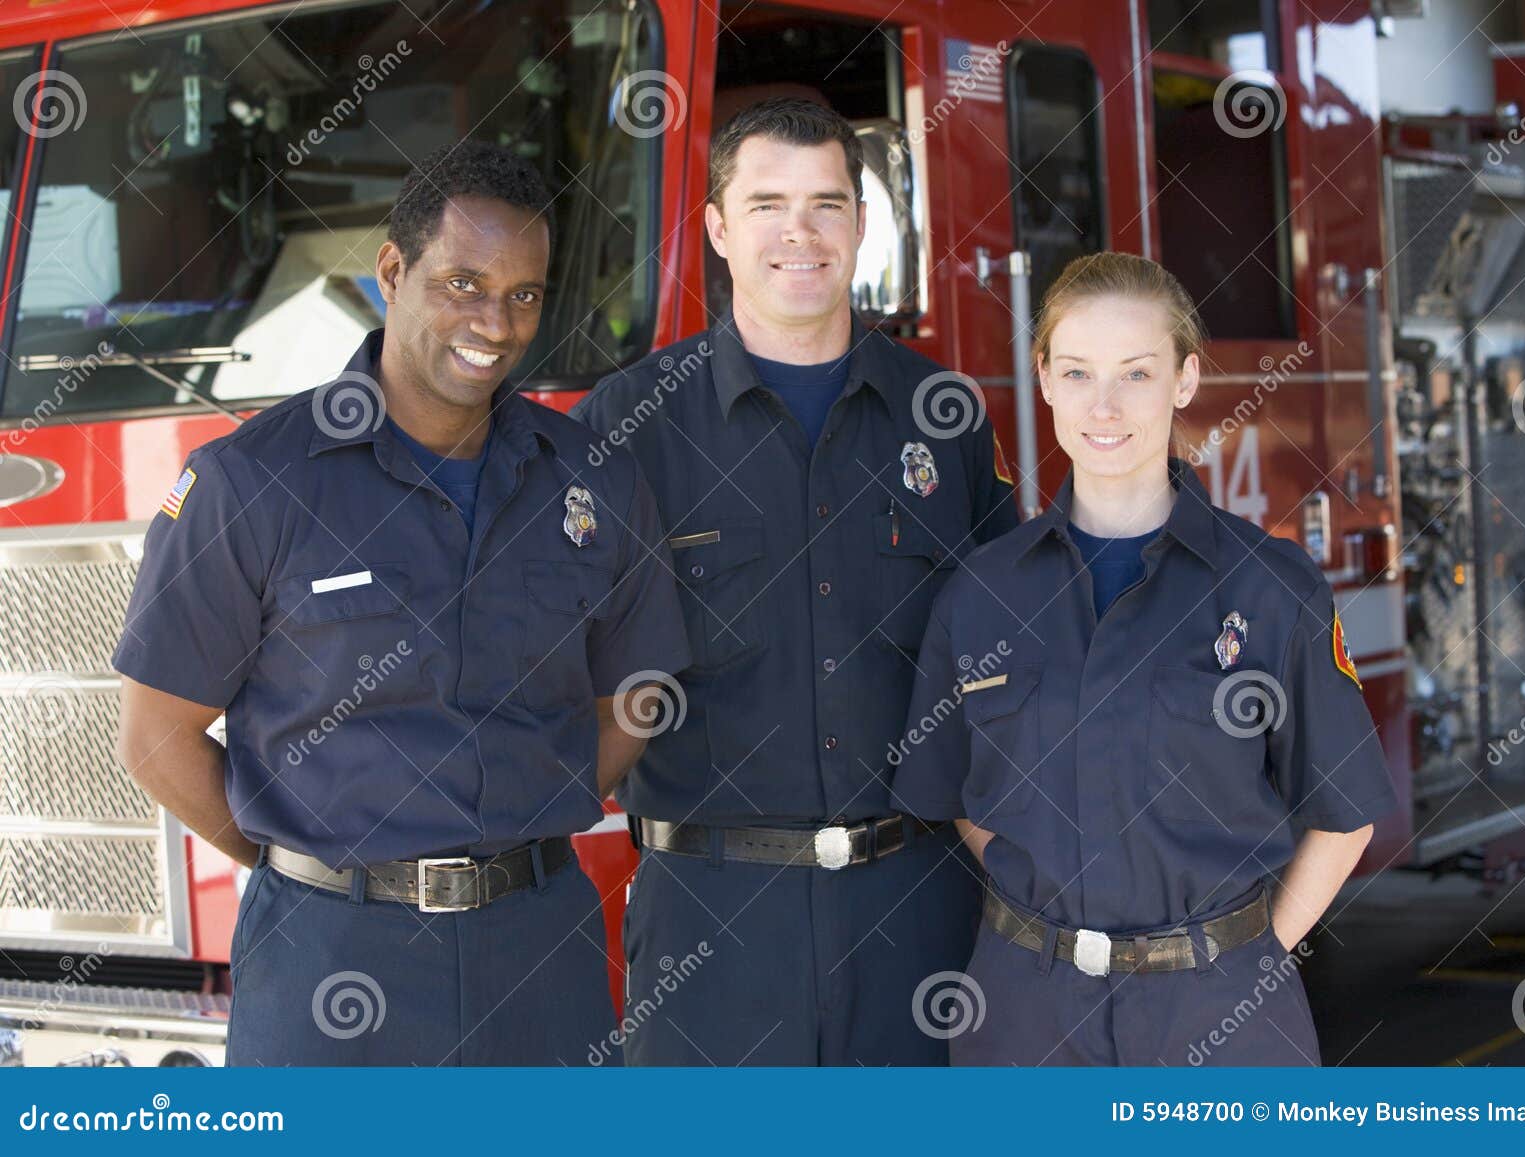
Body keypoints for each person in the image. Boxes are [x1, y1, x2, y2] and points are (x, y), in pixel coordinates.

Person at [112, 140, 690, 1066]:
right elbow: (154, 736)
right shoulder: (253, 482)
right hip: (330, 962)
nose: (495, 323)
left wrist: (531, 812)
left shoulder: (591, 479)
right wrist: (304, 867)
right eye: (464, 283)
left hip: (538, 951)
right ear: (393, 270)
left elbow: (633, 694)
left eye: (524, 294)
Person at [572, 97, 1019, 1065]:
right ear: (720, 229)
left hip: (919, 912)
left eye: (827, 202)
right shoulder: (630, 424)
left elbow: (1013, 665)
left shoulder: (942, 415)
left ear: (862, 225)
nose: (800, 233)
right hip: (711, 927)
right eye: (768, 202)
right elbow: (553, 661)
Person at [890, 251, 1397, 1066]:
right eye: (1080, 371)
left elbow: (1345, 814)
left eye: (1136, 373)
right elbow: (963, 796)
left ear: (1185, 380)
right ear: (1045, 379)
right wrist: (1053, 907)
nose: (1106, 404)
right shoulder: (981, 593)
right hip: (1025, 1016)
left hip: (1220, 1014)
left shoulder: (1270, 588)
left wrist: (1246, 959)